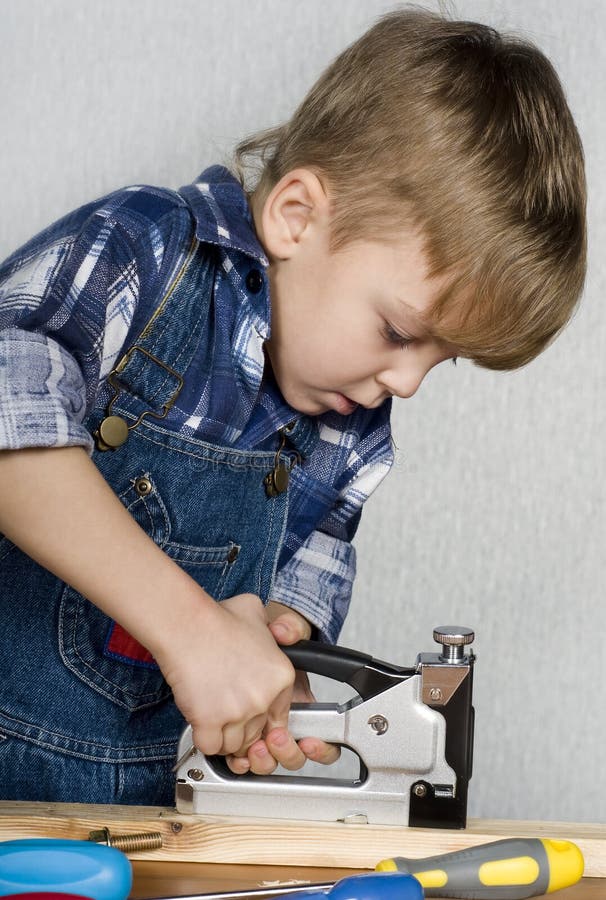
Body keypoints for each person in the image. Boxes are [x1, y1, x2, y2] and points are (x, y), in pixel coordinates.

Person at [0, 8, 586, 804]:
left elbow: (298, 592)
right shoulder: (143, 252)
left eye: (440, 361)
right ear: (296, 216)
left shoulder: (349, 426)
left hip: (132, 813)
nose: (407, 383)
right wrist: (192, 630)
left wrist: (275, 671)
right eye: (398, 331)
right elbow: (11, 427)